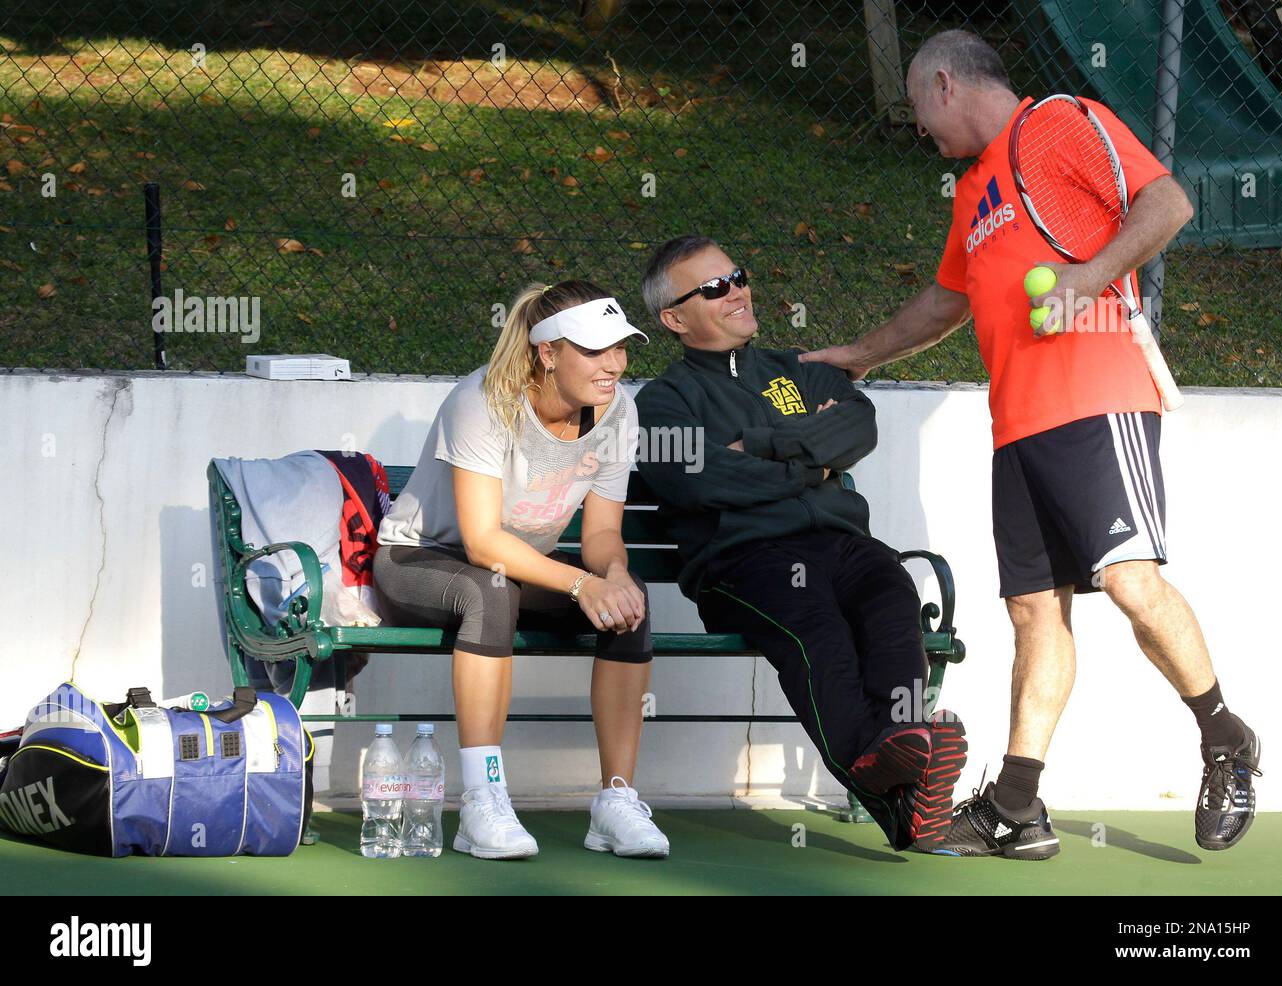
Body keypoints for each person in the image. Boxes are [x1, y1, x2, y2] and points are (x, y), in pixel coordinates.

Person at [802, 29, 1260, 858]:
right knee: (1033, 612)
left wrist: (1087, 276)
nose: (918, 128)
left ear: (945, 83)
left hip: (1098, 399)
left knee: (1127, 580)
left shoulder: (1058, 121)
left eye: (916, 107)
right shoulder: (971, 188)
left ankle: (1225, 737)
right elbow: (948, 302)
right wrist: (859, 355)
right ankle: (1018, 806)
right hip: (1017, 423)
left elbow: (1168, 205)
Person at [634, 235, 969, 853]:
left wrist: (760, 448)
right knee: (817, 631)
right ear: (675, 319)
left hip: (841, 543)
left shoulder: (800, 368)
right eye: (713, 288)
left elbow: (856, 424)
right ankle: (901, 781)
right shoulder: (664, 399)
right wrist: (808, 465)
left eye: (737, 276)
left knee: (893, 593)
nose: (736, 291)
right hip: (747, 561)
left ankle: (901, 745)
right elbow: (692, 477)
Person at [374, 280, 669, 860]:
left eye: (620, 348)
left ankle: (615, 801)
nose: (613, 364)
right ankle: (481, 802)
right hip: (419, 559)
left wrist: (609, 578)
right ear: (548, 352)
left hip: (516, 567)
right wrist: (582, 585)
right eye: (593, 350)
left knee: (629, 600)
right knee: (492, 590)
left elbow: (603, 535)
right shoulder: (482, 400)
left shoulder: (618, 410)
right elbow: (483, 542)